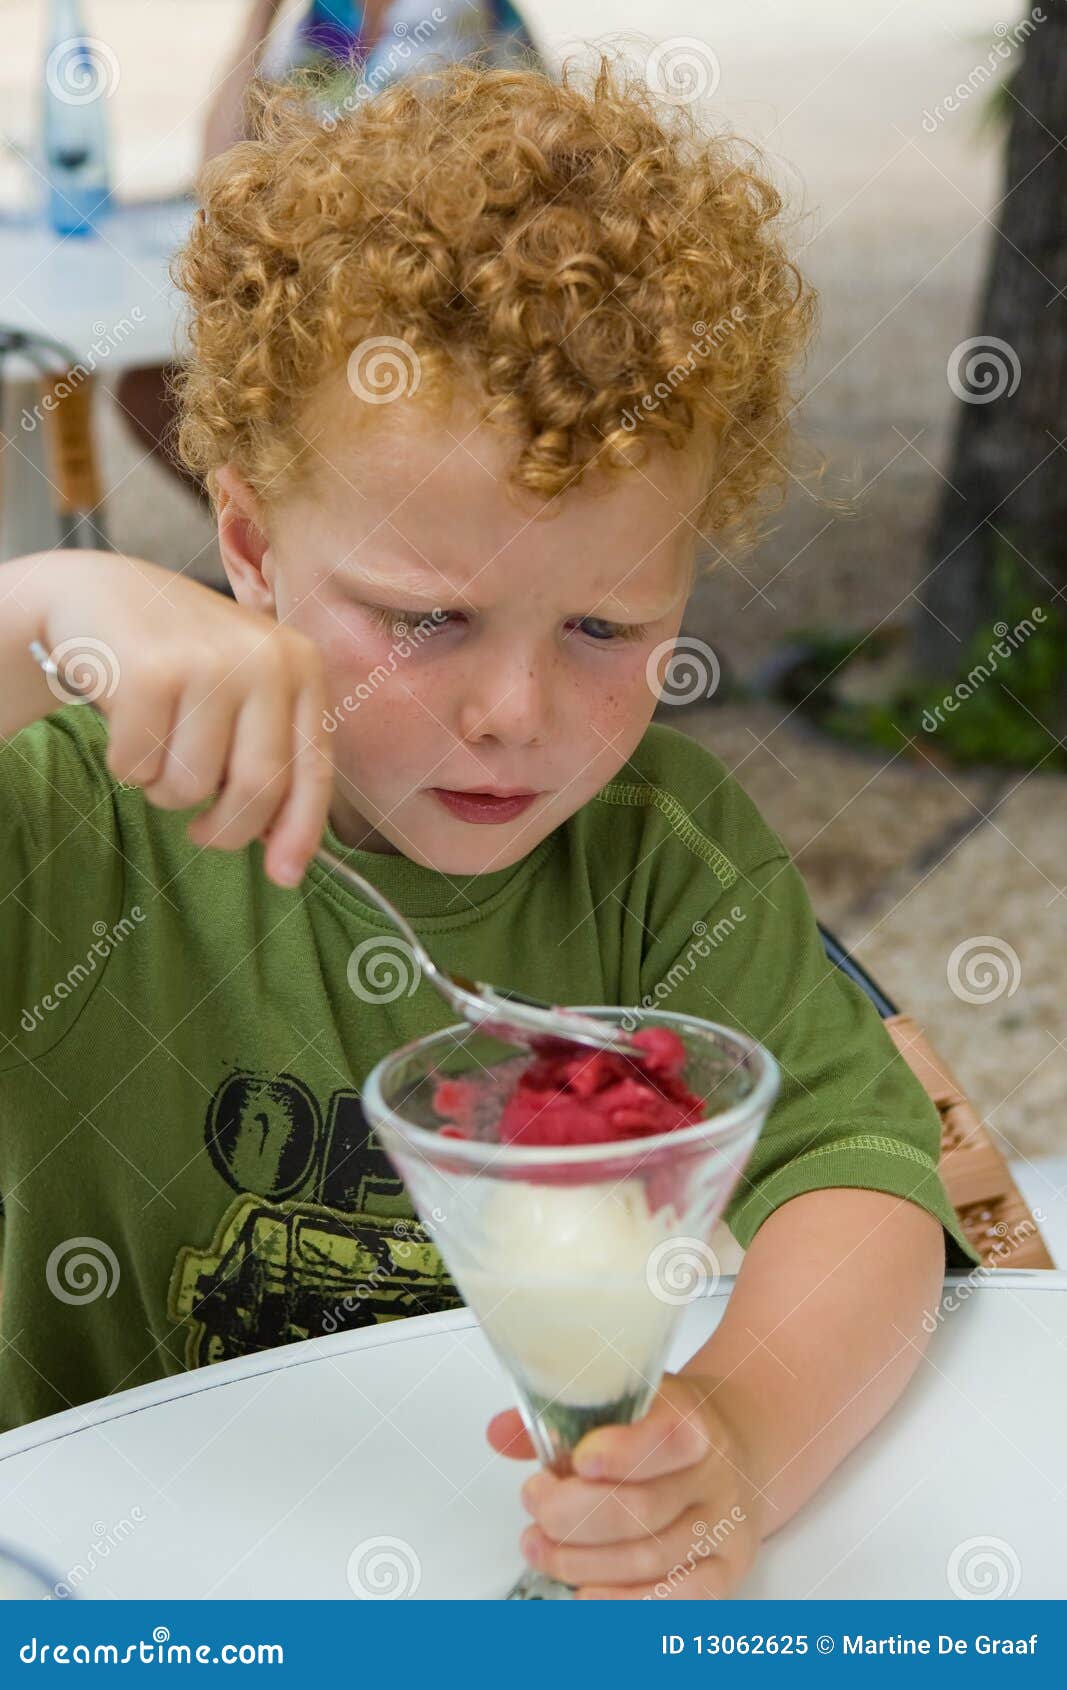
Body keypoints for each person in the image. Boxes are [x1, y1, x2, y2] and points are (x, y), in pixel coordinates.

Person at [0, 55, 980, 1599]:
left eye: (603, 627)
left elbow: (857, 1182)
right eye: (424, 618)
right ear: (246, 540)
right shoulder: (82, 816)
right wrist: (38, 608)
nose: (514, 712)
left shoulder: (660, 858)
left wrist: (733, 1438)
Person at [115, 0, 542, 504]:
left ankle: (314, 537)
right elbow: (220, 171)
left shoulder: (454, 12)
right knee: (160, 390)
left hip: (444, 303)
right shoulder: (329, 17)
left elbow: (395, 194)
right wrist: (259, 18)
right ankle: (283, 540)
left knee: (248, 391)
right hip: (341, 290)